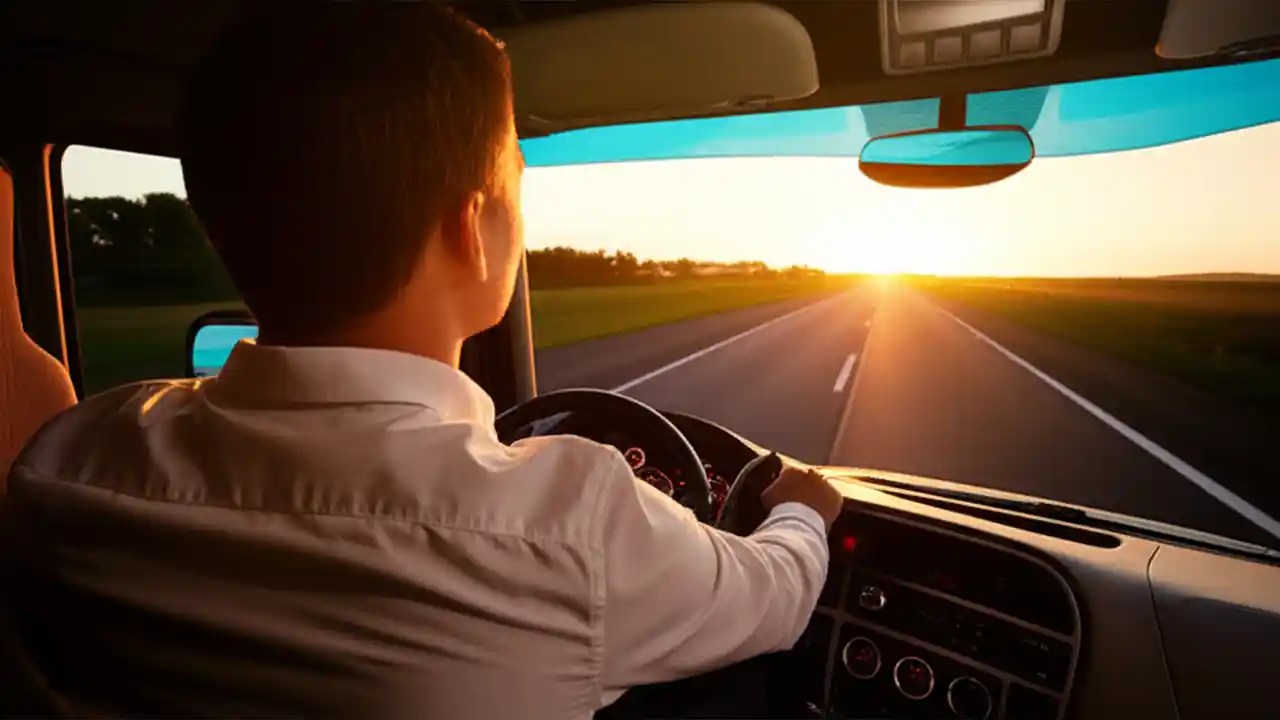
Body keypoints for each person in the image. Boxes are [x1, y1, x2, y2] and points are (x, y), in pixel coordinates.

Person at [0, 4, 844, 719]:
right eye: (517, 177)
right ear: (472, 229)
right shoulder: (572, 526)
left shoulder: (65, 463)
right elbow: (775, 593)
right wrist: (804, 506)